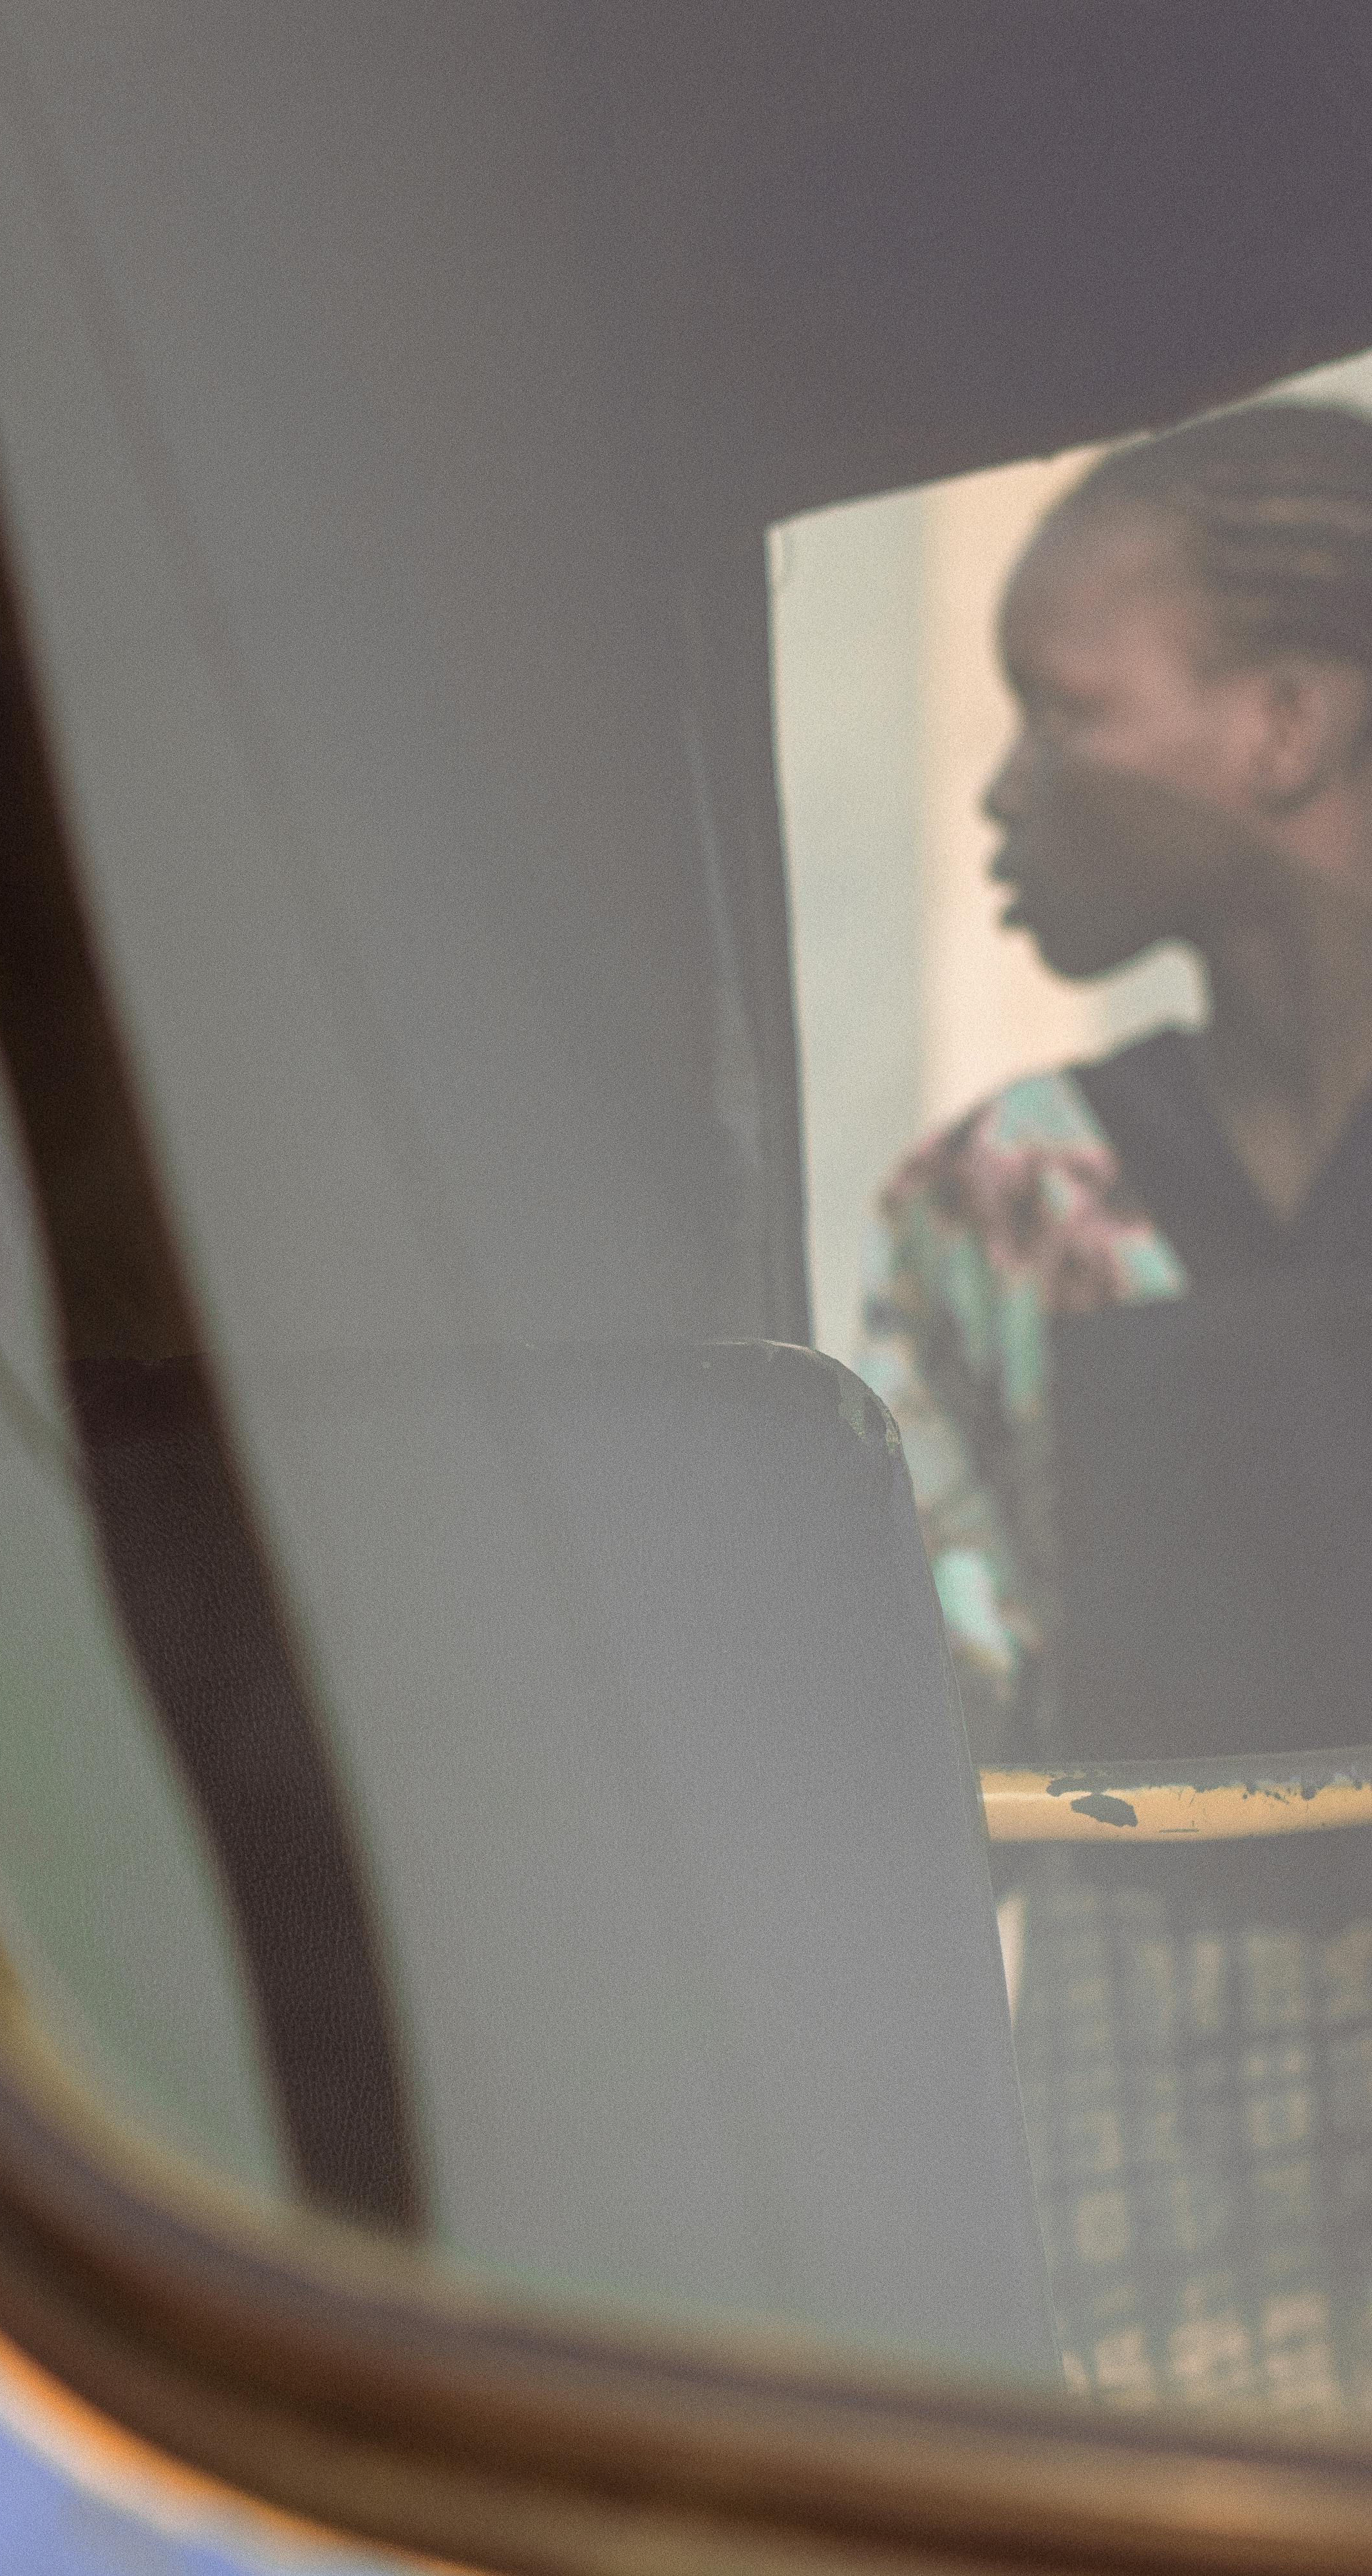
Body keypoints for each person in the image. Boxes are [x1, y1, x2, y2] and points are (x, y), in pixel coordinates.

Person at [863, 399, 1372, 2418]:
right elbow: (948, 1702)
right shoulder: (998, 1208)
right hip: (1174, 2230)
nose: (999, 793)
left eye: (1057, 716)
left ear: (1280, 726)